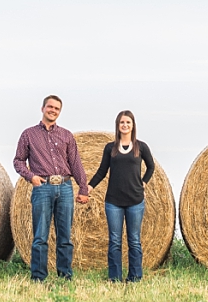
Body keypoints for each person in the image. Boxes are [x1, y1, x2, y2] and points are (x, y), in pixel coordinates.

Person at [12, 94, 89, 281]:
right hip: (43, 188)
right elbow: (18, 161)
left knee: (65, 237)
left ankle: (65, 276)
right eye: (50, 107)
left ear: (59, 112)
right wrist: (31, 177)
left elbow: (75, 163)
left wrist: (83, 188)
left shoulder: (66, 135)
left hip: (65, 187)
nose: (53, 110)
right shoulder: (29, 134)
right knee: (40, 236)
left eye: (56, 109)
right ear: (43, 108)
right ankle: (39, 277)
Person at [88, 109, 154, 283]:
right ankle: (115, 277)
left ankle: (135, 277)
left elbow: (151, 167)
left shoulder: (141, 147)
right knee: (115, 241)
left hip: (135, 201)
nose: (125, 125)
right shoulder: (110, 148)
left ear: (133, 125)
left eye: (128, 122)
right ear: (117, 125)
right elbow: (102, 171)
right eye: (122, 122)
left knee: (134, 241)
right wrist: (89, 187)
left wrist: (144, 183)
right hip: (113, 201)